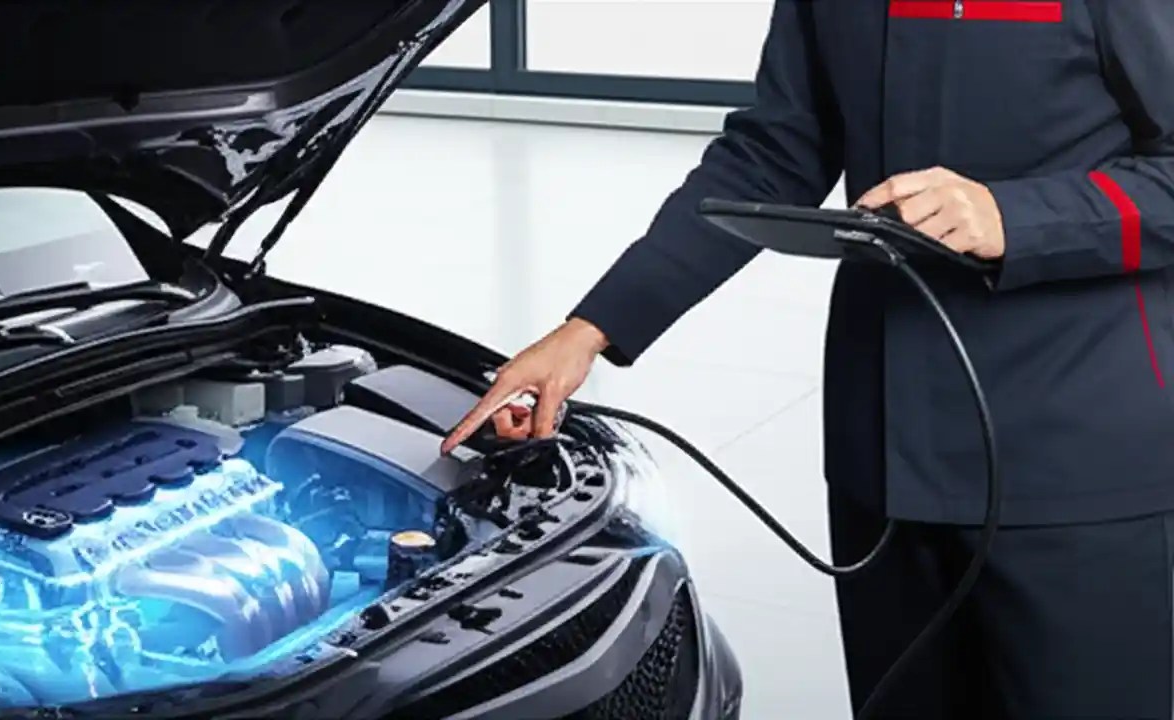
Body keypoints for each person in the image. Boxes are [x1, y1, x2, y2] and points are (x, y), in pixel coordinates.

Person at [440, 0, 1174, 717]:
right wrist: (589, 330)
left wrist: (1014, 216)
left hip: (1076, 454)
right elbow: (773, 154)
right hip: (880, 450)